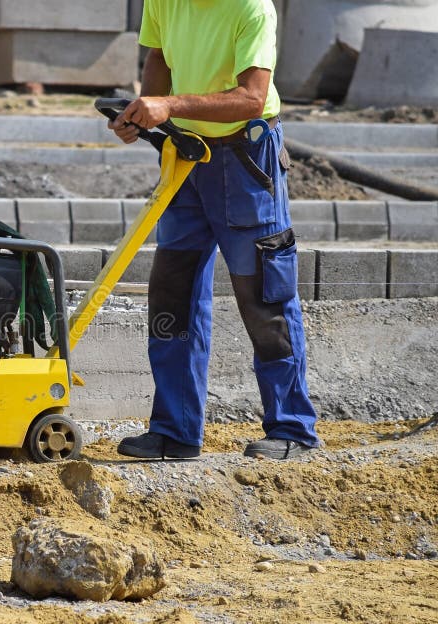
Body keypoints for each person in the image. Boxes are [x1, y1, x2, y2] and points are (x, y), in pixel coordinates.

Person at [110, 0, 320, 460]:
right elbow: (160, 57)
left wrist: (168, 104)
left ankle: (292, 429)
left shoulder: (252, 8)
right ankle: (175, 430)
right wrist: (146, 116)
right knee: (173, 292)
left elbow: (251, 97)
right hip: (184, 156)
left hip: (245, 160)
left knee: (264, 293)